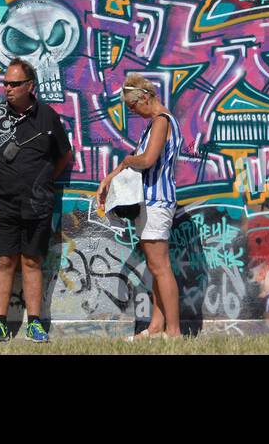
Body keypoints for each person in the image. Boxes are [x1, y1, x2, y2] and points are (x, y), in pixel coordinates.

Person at [0, 58, 73, 343]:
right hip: (2, 202)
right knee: (5, 261)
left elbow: (64, 154)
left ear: (30, 86)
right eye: (5, 83)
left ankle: (35, 324)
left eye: (14, 83)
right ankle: (0, 323)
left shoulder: (47, 117)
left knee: (31, 261)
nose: (8, 88)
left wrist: (44, 179)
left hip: (37, 203)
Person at [97, 73, 183, 339]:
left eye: (134, 107)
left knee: (160, 267)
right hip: (151, 200)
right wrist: (111, 177)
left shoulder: (160, 121)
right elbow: (137, 160)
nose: (134, 112)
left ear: (145, 97)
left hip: (157, 200)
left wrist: (128, 159)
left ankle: (174, 332)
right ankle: (156, 328)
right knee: (156, 267)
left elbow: (146, 160)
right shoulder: (155, 123)